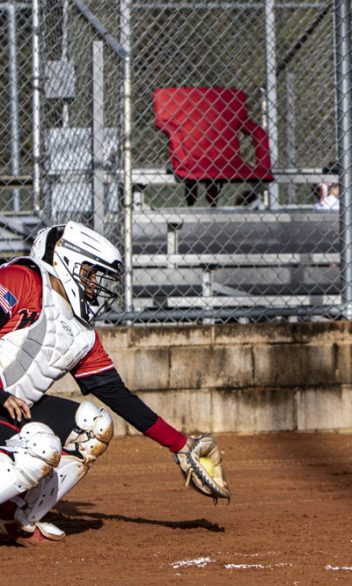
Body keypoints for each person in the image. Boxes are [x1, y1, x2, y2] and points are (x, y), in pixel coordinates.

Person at [0, 221, 227, 545]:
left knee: (94, 425)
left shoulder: (81, 334)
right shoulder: (24, 279)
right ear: (68, 261)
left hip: (8, 410)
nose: (96, 286)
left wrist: (180, 445)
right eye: (91, 274)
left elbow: (116, 395)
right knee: (41, 446)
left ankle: (17, 516)